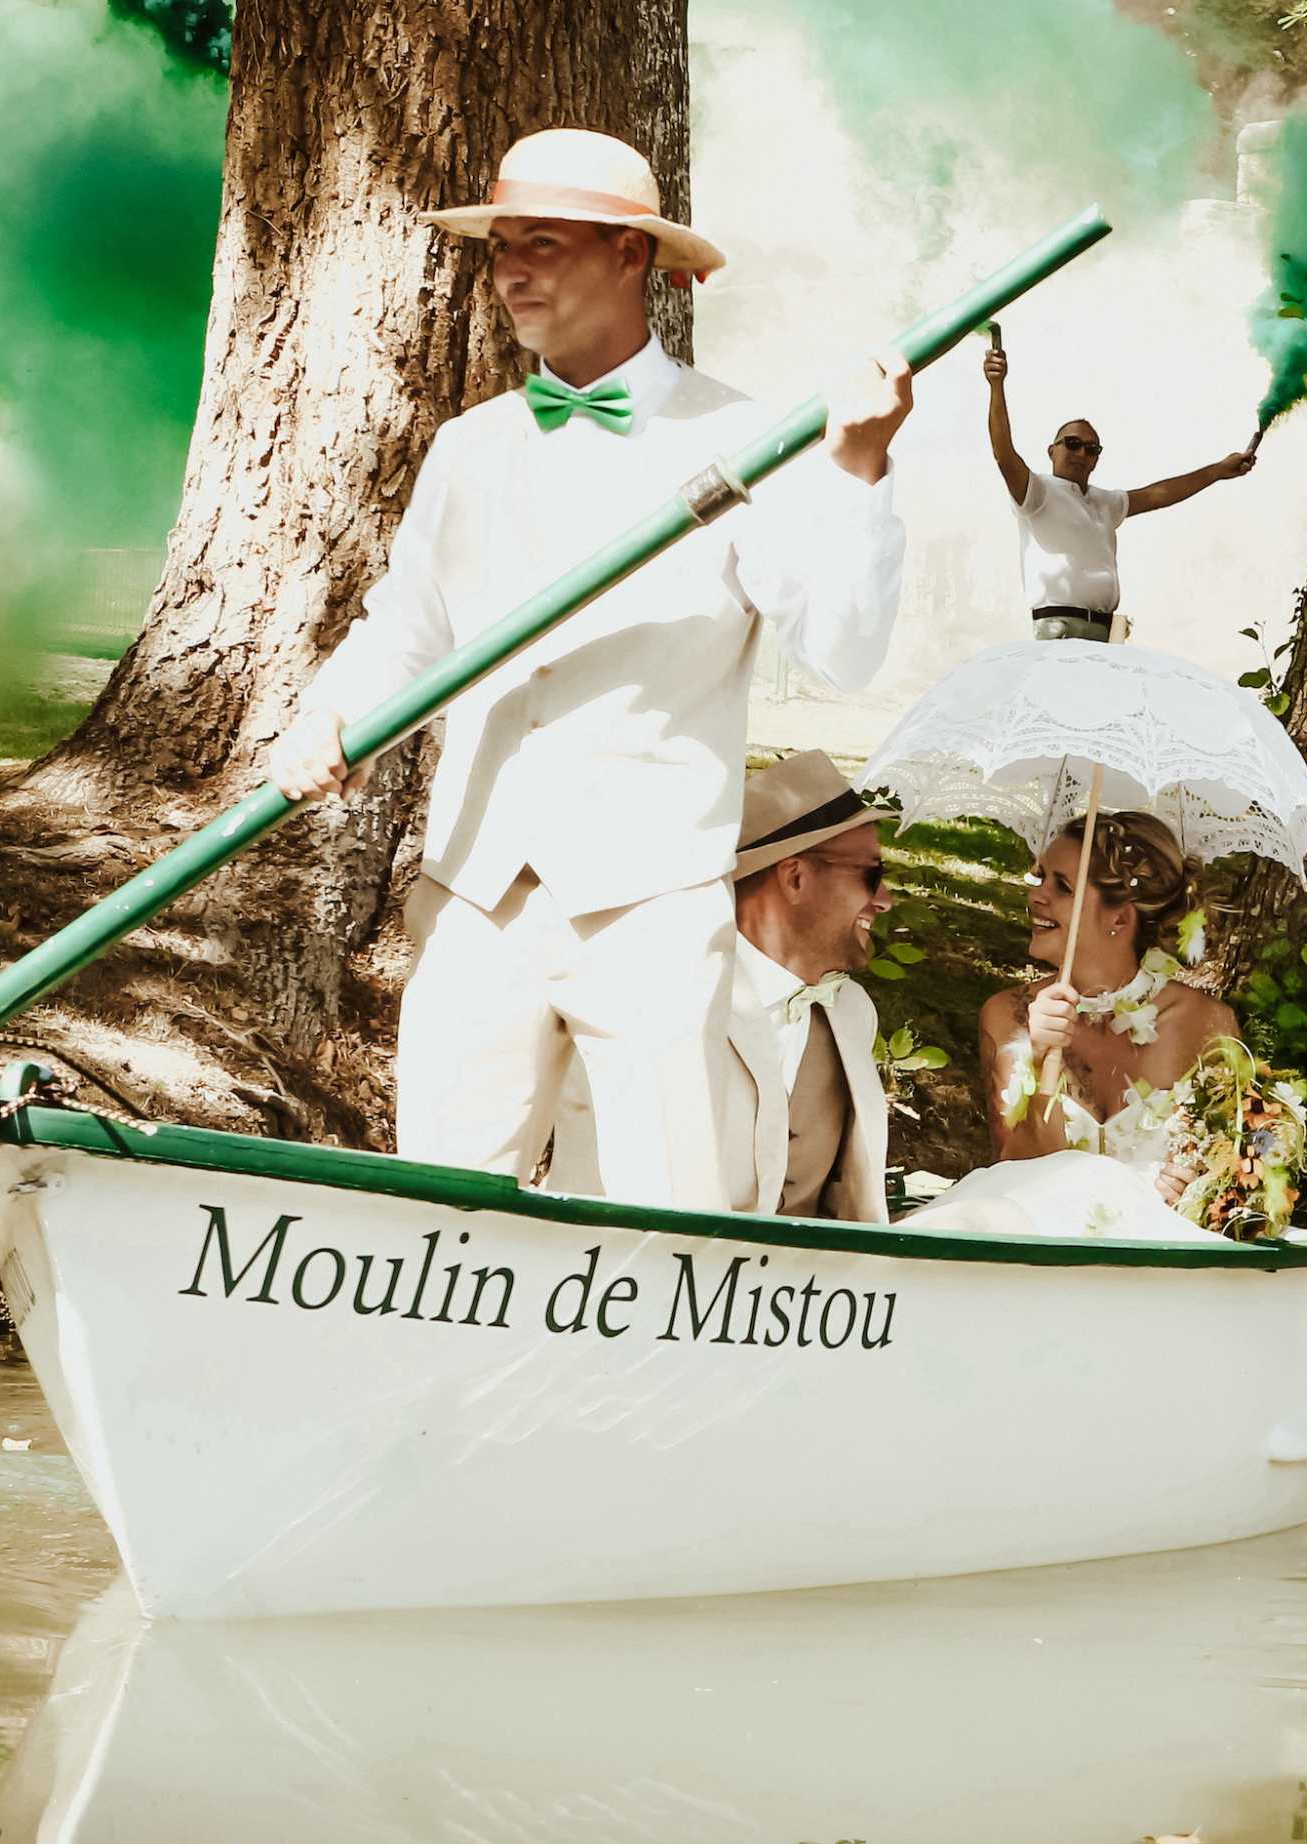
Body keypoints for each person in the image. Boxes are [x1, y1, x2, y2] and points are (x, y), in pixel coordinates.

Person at [264, 128, 914, 1213]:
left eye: (545, 245)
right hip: (475, 889)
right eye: (500, 248)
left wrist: (857, 464)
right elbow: (408, 626)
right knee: (432, 1216)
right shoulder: (468, 447)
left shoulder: (745, 440)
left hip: (648, 901)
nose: (512, 273)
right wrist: (329, 709)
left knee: (660, 1219)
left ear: (630, 255)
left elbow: (841, 650)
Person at [546, 749, 894, 1218]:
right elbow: (602, 1188)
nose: (886, 900)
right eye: (873, 875)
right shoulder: (656, 1002)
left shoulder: (851, 1011)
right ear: (795, 877)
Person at [901, 810, 1241, 1241]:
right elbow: (1017, 1172)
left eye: (1061, 886)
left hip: (1160, 1254)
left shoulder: (1206, 1023)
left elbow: (1236, 1174)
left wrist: (1196, 1185)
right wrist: (1038, 1055)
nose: (1035, 896)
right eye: (1040, 877)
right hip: (1044, 1250)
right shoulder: (1007, 1015)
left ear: (1120, 919)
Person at [983, 334, 1254, 640]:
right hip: (1060, 627)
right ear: (1051, 451)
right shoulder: (1038, 492)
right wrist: (997, 385)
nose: (1081, 453)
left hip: (1107, 629)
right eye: (1072, 444)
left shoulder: (1105, 502)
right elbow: (1003, 453)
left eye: (1091, 449)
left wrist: (1218, 470)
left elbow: (1160, 494)